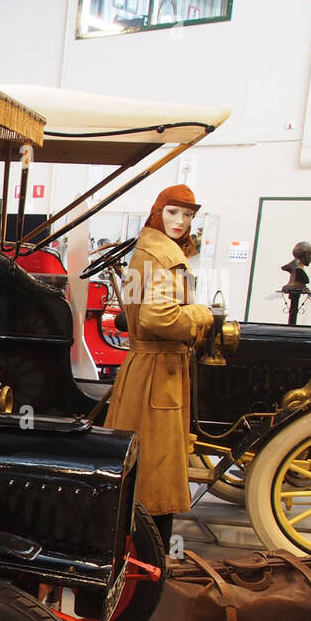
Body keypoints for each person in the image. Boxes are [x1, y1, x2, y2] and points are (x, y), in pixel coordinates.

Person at [105, 184, 214, 549]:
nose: (181, 221)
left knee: (138, 466)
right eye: (173, 212)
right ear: (157, 212)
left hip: (145, 369)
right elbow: (158, 318)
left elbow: (132, 315)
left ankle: (133, 550)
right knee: (155, 474)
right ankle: (150, 558)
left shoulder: (145, 252)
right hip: (158, 373)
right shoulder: (164, 256)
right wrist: (202, 315)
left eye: (188, 215)